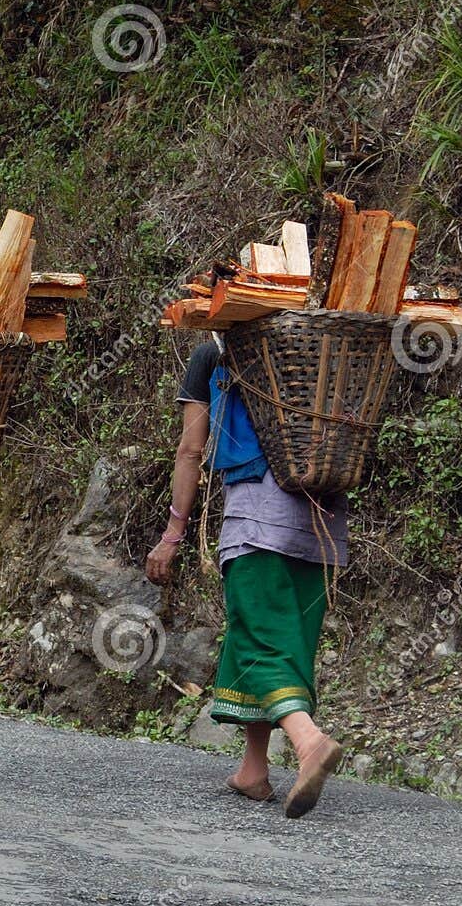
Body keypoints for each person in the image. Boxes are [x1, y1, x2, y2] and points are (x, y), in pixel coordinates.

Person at [147, 336, 345, 818]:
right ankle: (254, 769)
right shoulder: (319, 342)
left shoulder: (215, 349)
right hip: (325, 519)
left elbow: (191, 448)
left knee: (258, 638)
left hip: (259, 514)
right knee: (282, 635)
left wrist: (174, 531)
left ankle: (309, 742)